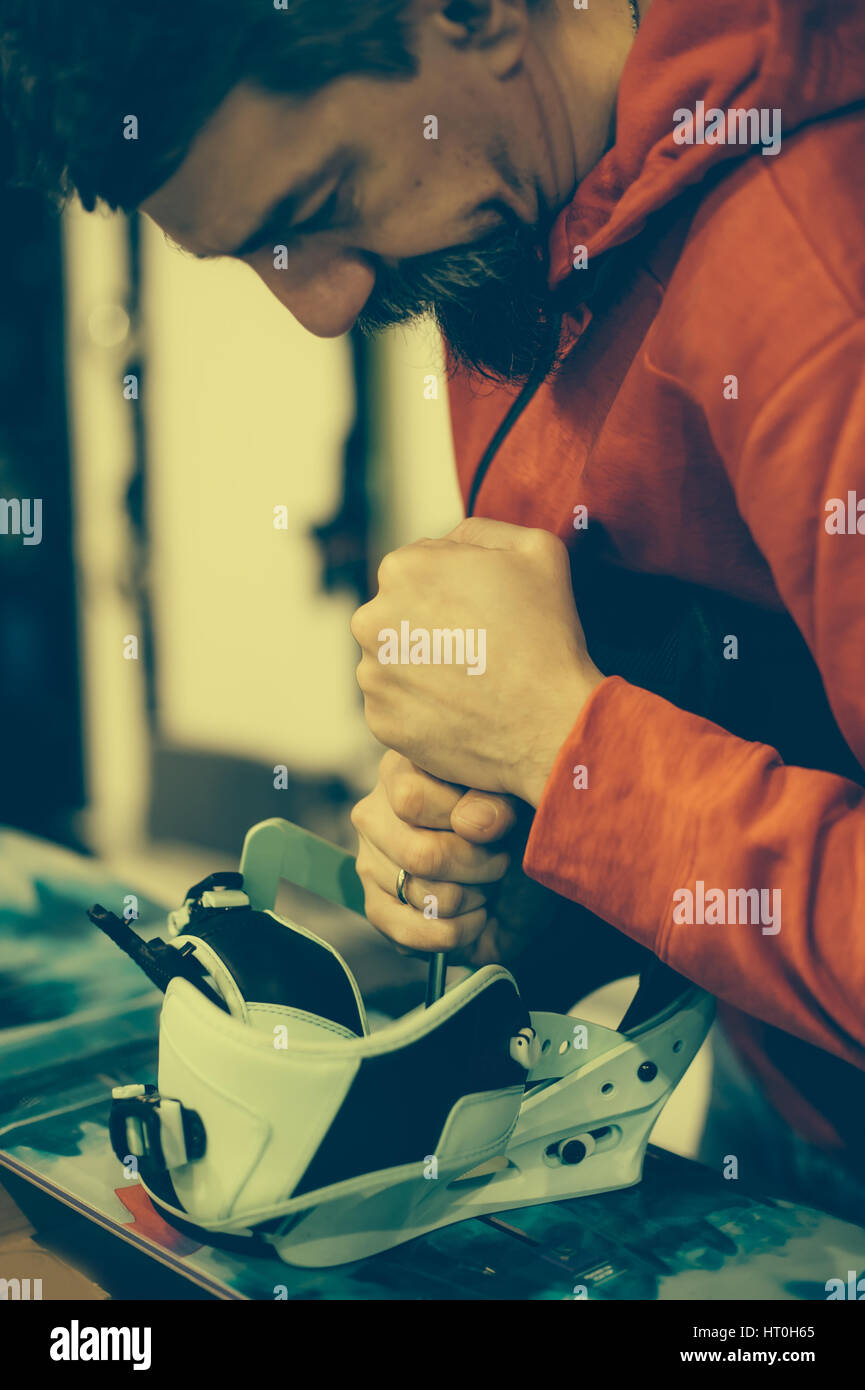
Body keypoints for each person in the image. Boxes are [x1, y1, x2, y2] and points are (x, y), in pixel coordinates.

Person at [3, 0, 865, 1219]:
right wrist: (520, 863)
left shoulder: (816, 278)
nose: (322, 307)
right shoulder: (509, 213)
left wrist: (570, 756)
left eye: (320, 205)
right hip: (780, 1098)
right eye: (252, 255)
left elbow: (614, 759)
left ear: (475, 16)